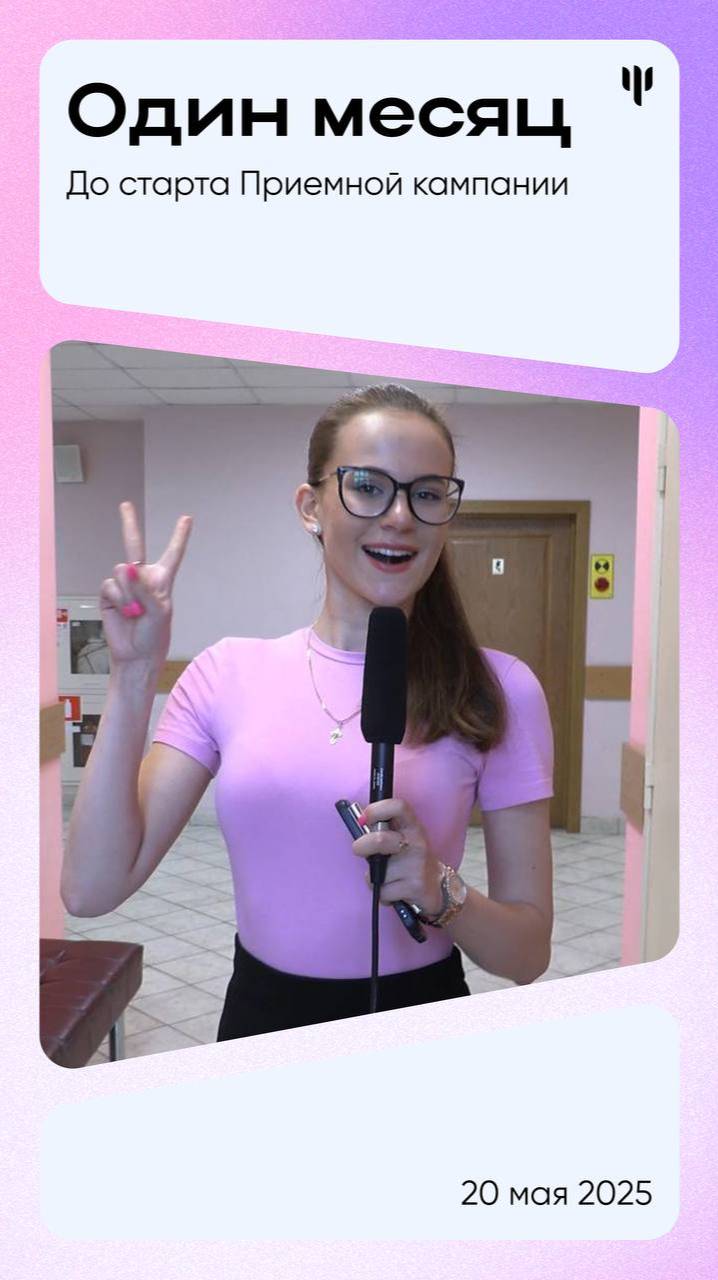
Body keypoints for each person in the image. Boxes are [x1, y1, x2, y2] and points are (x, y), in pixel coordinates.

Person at [62, 384, 554, 1040]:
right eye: (367, 487)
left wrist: (440, 890)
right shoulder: (226, 674)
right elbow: (90, 890)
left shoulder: (499, 689)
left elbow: (527, 955)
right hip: (262, 1019)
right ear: (311, 507)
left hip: (424, 1022)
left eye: (428, 493)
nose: (400, 516)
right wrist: (131, 673)